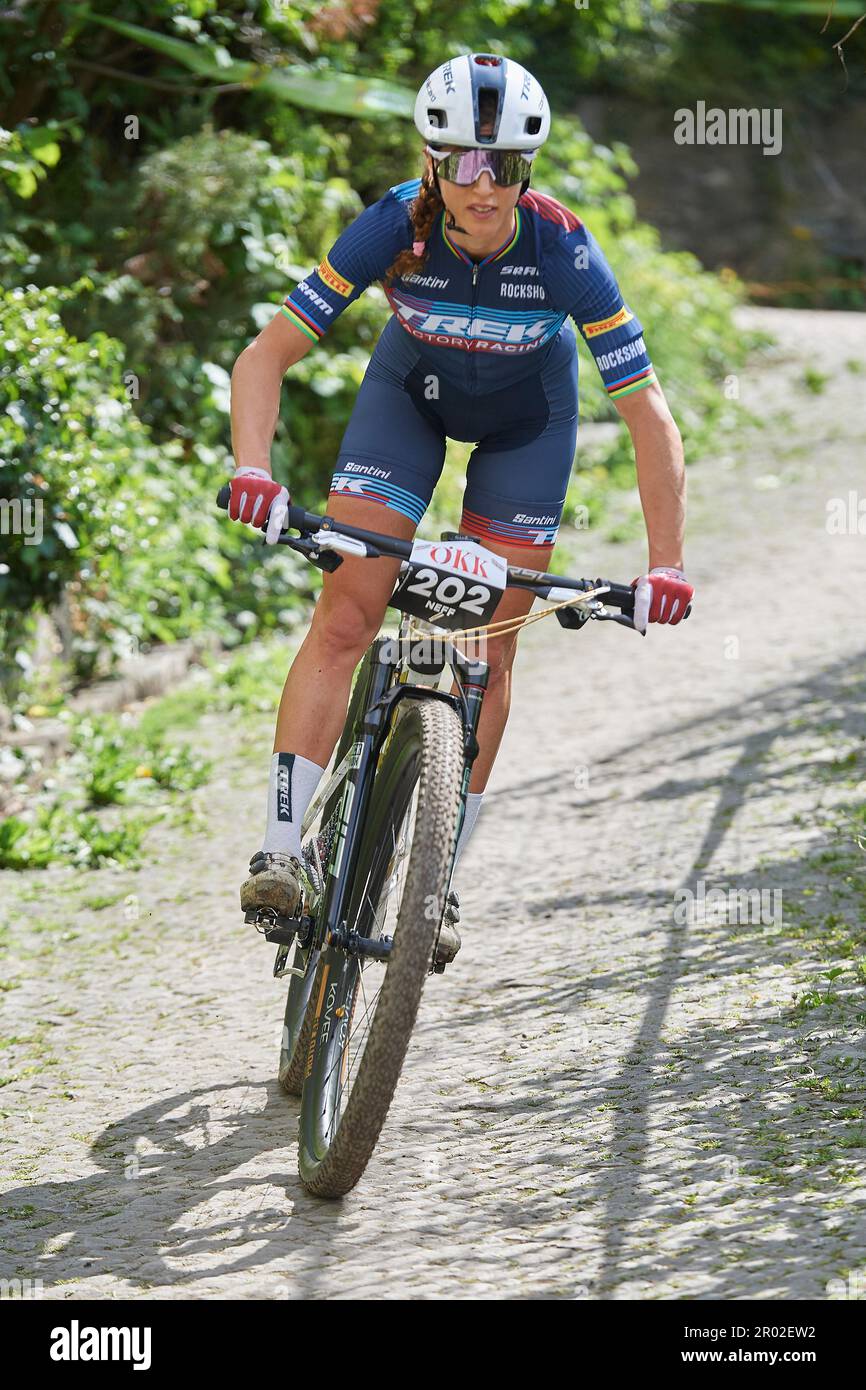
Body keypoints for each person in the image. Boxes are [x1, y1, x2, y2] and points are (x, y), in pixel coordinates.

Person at [228, 52, 694, 934]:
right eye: (465, 163)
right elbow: (266, 355)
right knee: (346, 614)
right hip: (407, 401)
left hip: (530, 424)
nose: (485, 187)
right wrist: (255, 468)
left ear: (529, 170)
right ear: (432, 161)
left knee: (487, 654)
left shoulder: (564, 248)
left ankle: (435, 879)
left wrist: (665, 564)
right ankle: (282, 851)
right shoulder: (393, 227)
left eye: (508, 166)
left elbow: (648, 414)